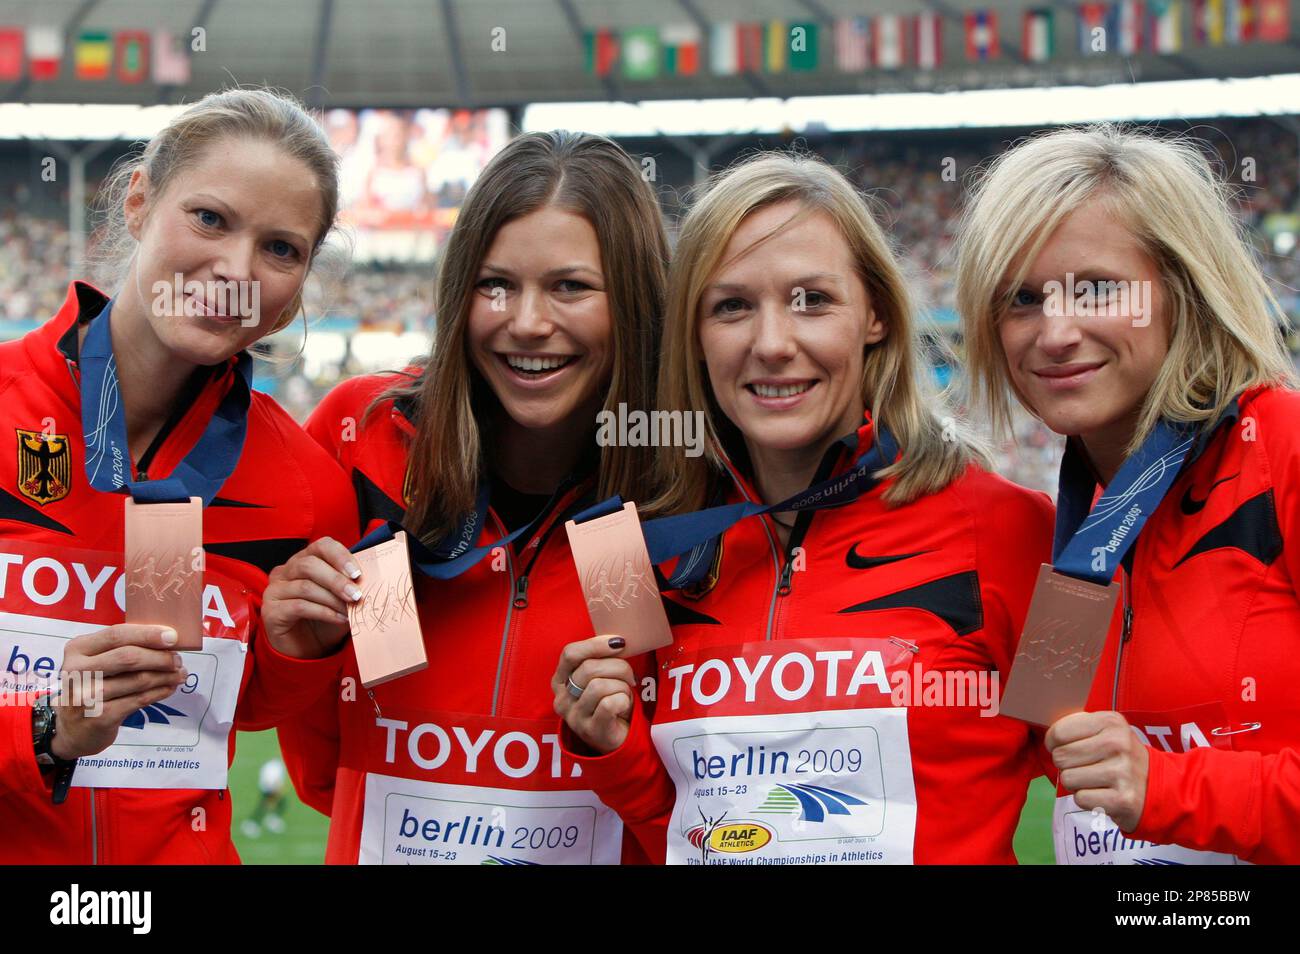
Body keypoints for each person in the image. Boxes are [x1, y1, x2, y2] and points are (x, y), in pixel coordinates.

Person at [552, 152, 1055, 864]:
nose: (773, 344)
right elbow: (675, 833)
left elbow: (1099, 808)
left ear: (876, 313)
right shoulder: (625, 556)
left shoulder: (1022, 530)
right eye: (731, 306)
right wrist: (609, 749)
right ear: (693, 337)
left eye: (812, 300)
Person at [266, 131, 669, 864]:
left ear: (636, 301)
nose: (526, 321)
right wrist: (302, 652)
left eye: (571, 287)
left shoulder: (672, 491)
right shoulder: (371, 442)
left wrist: (613, 755)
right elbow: (327, 772)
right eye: (495, 284)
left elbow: (698, 820)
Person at [0, 88, 358, 863]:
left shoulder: (310, 485)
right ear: (138, 201)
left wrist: (297, 650)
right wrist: (45, 730)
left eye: (281, 248)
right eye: (210, 218)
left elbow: (241, 710)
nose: (235, 268)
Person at [955, 123, 1300, 864]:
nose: (1055, 332)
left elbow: (1138, 786)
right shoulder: (1071, 527)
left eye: (1099, 289)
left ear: (1184, 289)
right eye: (1022, 299)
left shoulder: (1284, 447)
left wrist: (1167, 787)